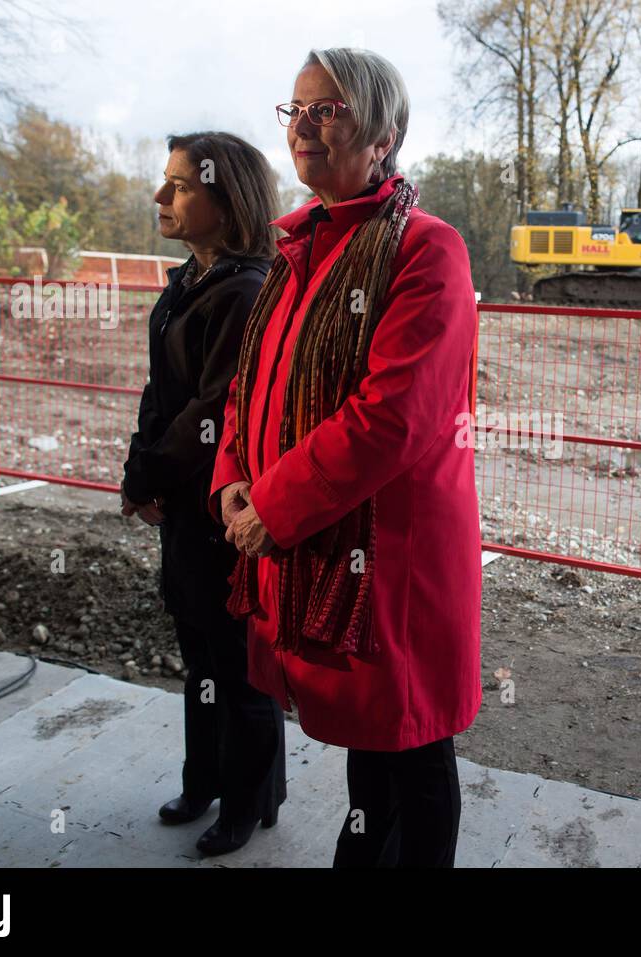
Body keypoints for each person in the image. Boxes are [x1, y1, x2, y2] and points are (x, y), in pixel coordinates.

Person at [210, 47, 482, 867]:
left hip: (393, 562)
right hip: (313, 531)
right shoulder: (300, 248)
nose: (305, 126)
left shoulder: (428, 251)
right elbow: (250, 384)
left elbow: (389, 418)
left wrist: (275, 509)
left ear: (384, 134)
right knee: (374, 749)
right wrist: (229, 480)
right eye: (296, 109)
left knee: (410, 741)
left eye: (328, 110)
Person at [121, 131, 287, 857]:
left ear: (228, 200)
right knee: (199, 649)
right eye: (166, 182)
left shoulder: (246, 290)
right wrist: (140, 465)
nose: (162, 197)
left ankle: (249, 801)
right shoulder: (188, 280)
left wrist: (153, 472)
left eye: (181, 185)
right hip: (180, 505)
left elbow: (214, 410)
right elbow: (162, 393)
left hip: (221, 505)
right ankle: (206, 779)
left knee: (236, 658)